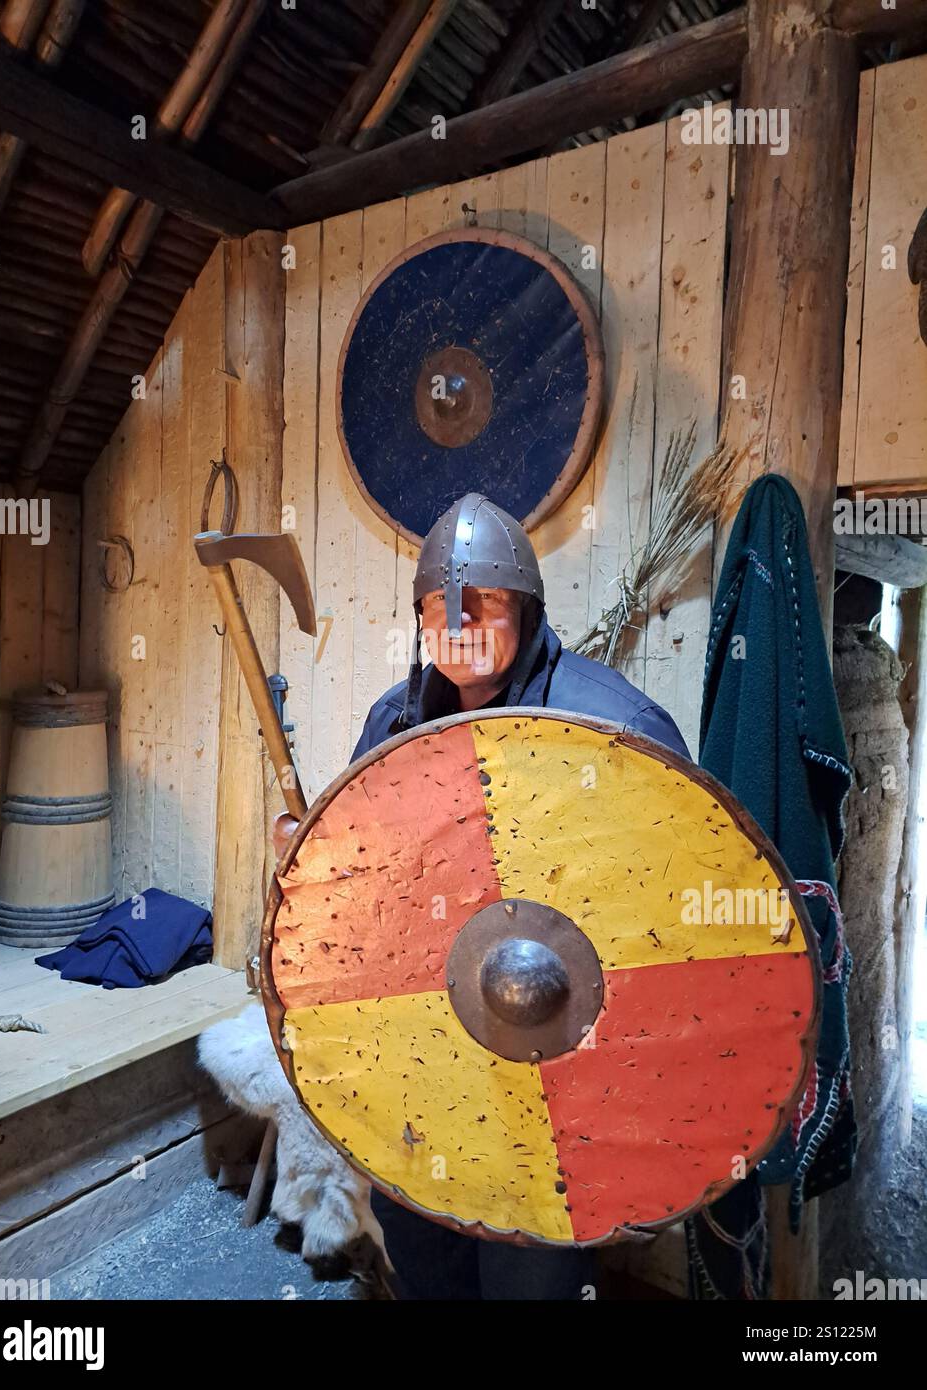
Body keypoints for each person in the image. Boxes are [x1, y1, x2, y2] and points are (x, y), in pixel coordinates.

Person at [273, 492, 691, 1300]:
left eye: (485, 599)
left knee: (530, 1272)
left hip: (555, 1052)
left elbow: (670, 910)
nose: (457, 620)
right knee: (426, 1259)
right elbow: (364, 883)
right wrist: (310, 856)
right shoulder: (393, 723)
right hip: (425, 1051)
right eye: (437, 603)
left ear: (525, 607)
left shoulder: (609, 724)